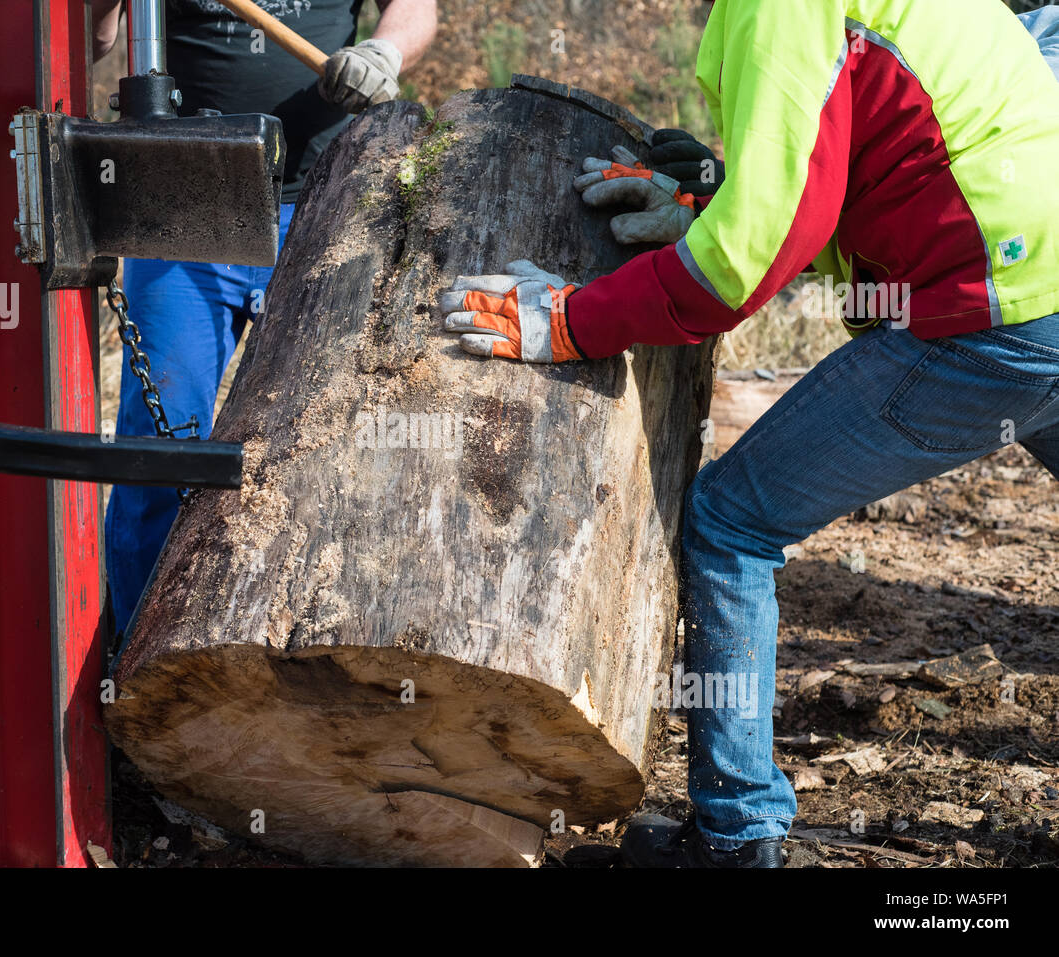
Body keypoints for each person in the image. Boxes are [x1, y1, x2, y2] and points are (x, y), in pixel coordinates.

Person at [439, 0, 1059, 867]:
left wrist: (577, 319)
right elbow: (871, 157)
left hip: (999, 308)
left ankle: (736, 838)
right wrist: (708, 200)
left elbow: (753, 252)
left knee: (732, 523)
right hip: (1037, 282)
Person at [93, 0, 437, 633]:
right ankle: (137, 655)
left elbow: (414, 7)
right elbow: (90, 39)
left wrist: (382, 53)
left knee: (332, 440)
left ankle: (317, 644)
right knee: (160, 445)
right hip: (180, 203)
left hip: (327, 205)